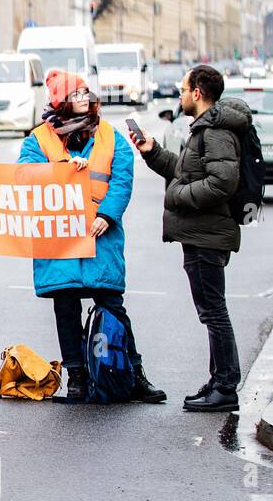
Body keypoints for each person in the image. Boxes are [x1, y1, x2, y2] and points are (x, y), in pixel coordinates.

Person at [18, 70, 166, 403]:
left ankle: (133, 374)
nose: (85, 98)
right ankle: (77, 379)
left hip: (101, 236)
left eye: (87, 92)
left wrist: (107, 216)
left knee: (113, 306)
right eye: (77, 93)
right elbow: (25, 175)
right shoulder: (39, 138)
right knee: (66, 307)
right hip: (61, 239)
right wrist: (65, 170)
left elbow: (122, 179)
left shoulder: (110, 136)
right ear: (61, 101)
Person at [132, 64, 247, 411]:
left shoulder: (215, 132)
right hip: (199, 234)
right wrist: (152, 151)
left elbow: (222, 183)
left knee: (214, 312)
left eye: (183, 90)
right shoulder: (203, 130)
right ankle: (218, 380)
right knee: (209, 311)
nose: (180, 96)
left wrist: (177, 196)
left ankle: (226, 387)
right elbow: (183, 171)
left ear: (197, 93)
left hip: (208, 235)